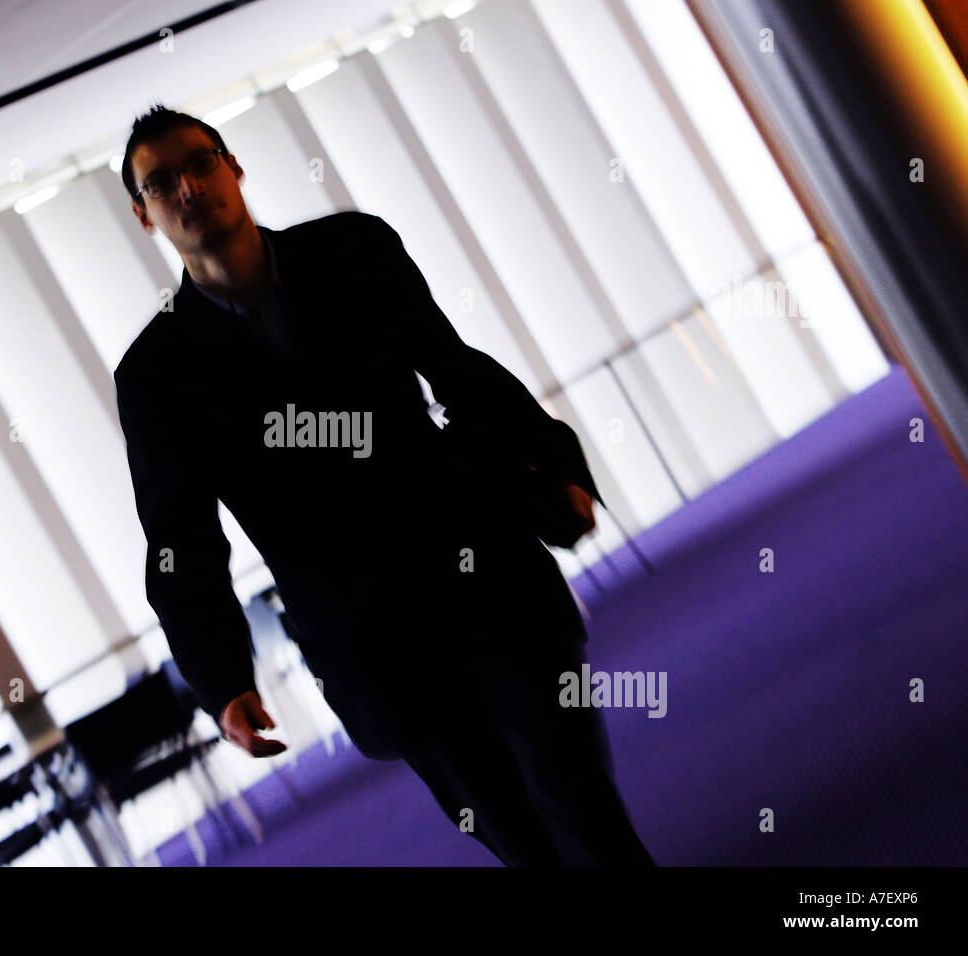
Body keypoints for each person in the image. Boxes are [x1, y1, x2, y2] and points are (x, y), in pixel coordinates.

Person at [113, 103, 655, 866]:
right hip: (372, 638)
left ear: (233, 168)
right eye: (162, 183)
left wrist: (552, 463)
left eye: (201, 164)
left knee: (581, 806)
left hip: (482, 569)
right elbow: (181, 538)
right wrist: (221, 676)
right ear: (145, 217)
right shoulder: (155, 374)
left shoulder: (353, 249)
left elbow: (455, 368)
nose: (189, 189)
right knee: (518, 838)